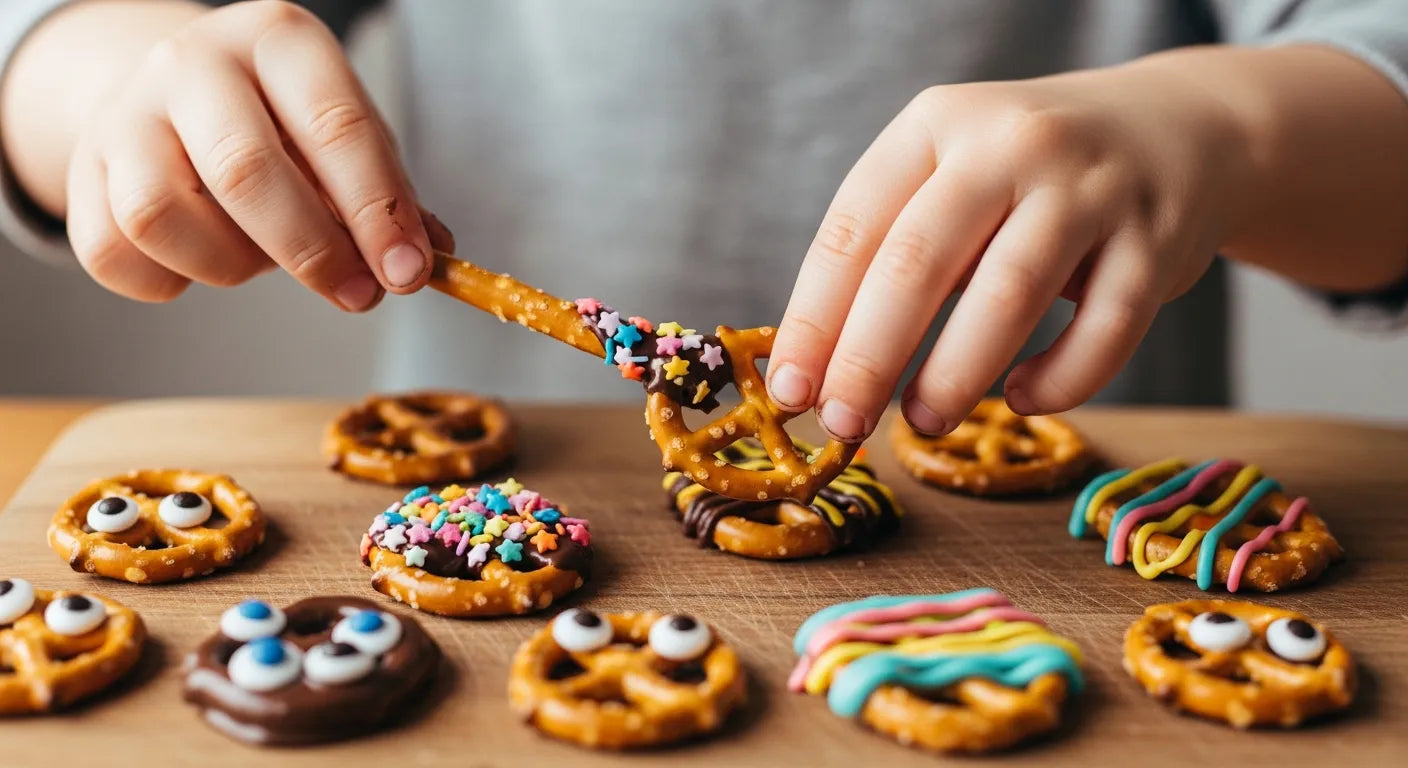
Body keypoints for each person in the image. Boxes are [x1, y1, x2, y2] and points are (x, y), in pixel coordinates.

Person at [2, 0, 1406, 443]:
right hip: (521, 497)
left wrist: (1227, 129)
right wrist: (111, 84)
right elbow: (42, 46)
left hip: (1074, 529)